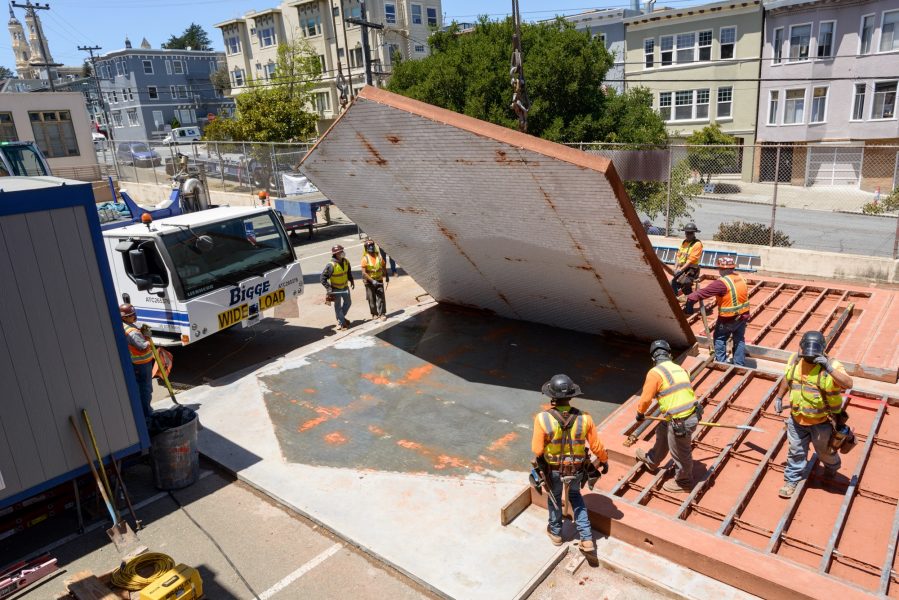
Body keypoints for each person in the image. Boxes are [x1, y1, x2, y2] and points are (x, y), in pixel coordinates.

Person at [531, 374, 608, 554]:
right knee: (576, 497)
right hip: (577, 469)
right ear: (572, 396)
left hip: (554, 470)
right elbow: (596, 446)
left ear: (552, 397)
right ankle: (587, 539)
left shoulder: (542, 418)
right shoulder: (585, 418)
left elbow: (537, 450)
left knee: (554, 498)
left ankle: (556, 533)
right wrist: (603, 460)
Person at [773, 330, 853, 499]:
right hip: (797, 420)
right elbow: (788, 379)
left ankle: (832, 468)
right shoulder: (795, 360)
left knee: (824, 453)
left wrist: (828, 367)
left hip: (822, 422)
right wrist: (779, 396)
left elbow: (848, 383)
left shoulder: (832, 365)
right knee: (795, 452)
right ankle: (791, 481)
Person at [634, 340, 700, 494]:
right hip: (688, 414)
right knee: (662, 431)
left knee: (680, 451)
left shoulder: (655, 373)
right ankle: (652, 460)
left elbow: (645, 399)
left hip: (681, 420)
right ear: (669, 354)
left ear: (653, 358)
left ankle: (684, 481)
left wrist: (640, 414)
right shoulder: (680, 369)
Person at [684, 256, 749, 366]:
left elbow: (702, 293)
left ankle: (721, 364)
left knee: (719, 338)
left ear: (722, 269)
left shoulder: (722, 283)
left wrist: (689, 300)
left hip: (728, 318)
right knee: (739, 340)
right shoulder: (741, 277)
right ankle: (739, 364)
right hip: (743, 315)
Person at [120, 304, 154, 425]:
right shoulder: (132, 333)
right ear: (124, 318)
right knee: (146, 389)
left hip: (137, 364)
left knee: (141, 388)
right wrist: (147, 338)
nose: (134, 316)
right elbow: (143, 347)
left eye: (134, 314)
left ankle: (144, 411)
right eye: (131, 315)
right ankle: (147, 413)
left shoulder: (125, 326)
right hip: (142, 364)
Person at [321, 244, 355, 330]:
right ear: (336, 254)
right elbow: (322, 278)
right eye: (340, 252)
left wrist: (351, 280)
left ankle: (341, 318)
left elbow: (348, 272)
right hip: (336, 289)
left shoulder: (346, 261)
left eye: (342, 251)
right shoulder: (331, 265)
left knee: (348, 303)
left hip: (345, 287)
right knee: (338, 306)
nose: (342, 253)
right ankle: (342, 323)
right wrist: (329, 288)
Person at [671, 223, 703, 298]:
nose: (687, 235)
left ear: (693, 233)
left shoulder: (697, 244)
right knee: (674, 283)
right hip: (683, 269)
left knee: (684, 282)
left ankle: (689, 302)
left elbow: (690, 260)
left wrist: (680, 270)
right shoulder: (684, 242)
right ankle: (677, 299)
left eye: (690, 233)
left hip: (692, 270)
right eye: (686, 233)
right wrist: (675, 268)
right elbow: (678, 256)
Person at [361, 238, 389, 320]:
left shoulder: (379, 256)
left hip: (379, 279)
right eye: (369, 246)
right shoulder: (365, 258)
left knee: (381, 297)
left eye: (372, 245)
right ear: (366, 248)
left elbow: (383, 266)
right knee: (371, 299)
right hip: (369, 281)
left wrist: (386, 276)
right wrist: (372, 281)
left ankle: (382, 314)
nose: (371, 247)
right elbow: (364, 273)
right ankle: (374, 314)